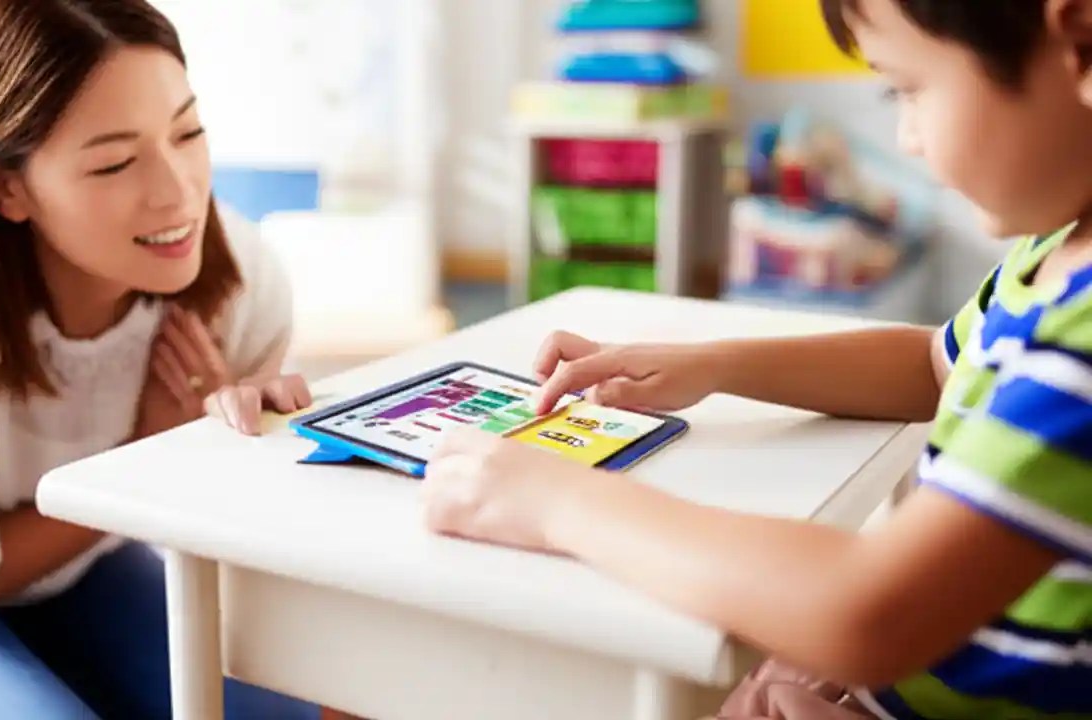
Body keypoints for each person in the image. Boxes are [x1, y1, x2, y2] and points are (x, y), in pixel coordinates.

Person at [421, 1, 1092, 718]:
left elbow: (867, 615)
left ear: (1081, 44)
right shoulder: (1052, 253)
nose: (909, 139)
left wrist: (555, 502)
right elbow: (936, 365)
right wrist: (711, 366)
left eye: (910, 87)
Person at [0, 1, 323, 717]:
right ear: (4, 185)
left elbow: (231, 531)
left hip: (73, 565)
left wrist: (249, 449)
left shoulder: (243, 279)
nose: (179, 192)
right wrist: (145, 453)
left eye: (189, 132)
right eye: (115, 162)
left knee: (274, 711)